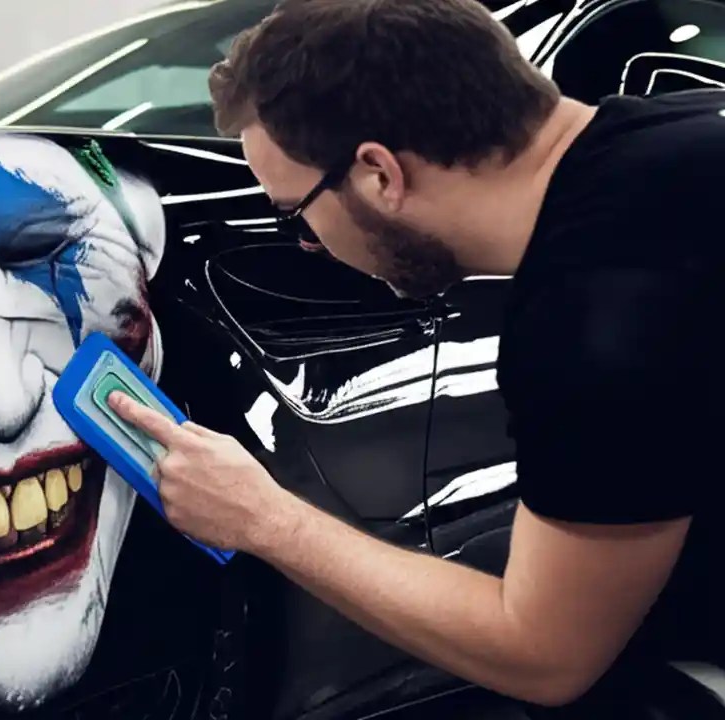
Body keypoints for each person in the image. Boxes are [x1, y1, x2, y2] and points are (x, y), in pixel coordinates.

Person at [107, 0, 725, 716]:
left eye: (296, 214)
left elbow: (546, 657)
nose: (306, 243)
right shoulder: (678, 134)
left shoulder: (596, 311)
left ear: (378, 175)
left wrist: (265, 520)